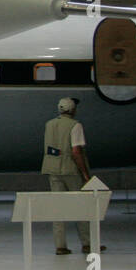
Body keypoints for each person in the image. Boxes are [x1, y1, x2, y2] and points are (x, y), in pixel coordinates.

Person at [42, 97, 103, 255]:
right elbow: (76, 152)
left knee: (58, 207)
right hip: (71, 170)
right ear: (73, 110)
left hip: (52, 170)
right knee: (81, 206)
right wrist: (85, 174)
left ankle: (60, 245)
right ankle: (87, 243)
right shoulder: (75, 126)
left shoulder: (49, 124)